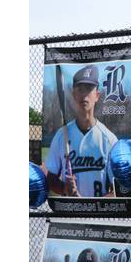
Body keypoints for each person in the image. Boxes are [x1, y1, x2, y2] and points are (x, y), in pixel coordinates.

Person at [46, 65, 118, 197]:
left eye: (89, 89)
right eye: (80, 89)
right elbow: (51, 179)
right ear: (74, 95)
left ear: (97, 96)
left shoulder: (109, 139)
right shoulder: (61, 136)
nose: (84, 95)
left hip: (100, 216)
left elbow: (117, 190)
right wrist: (64, 188)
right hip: (70, 213)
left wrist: (94, 207)